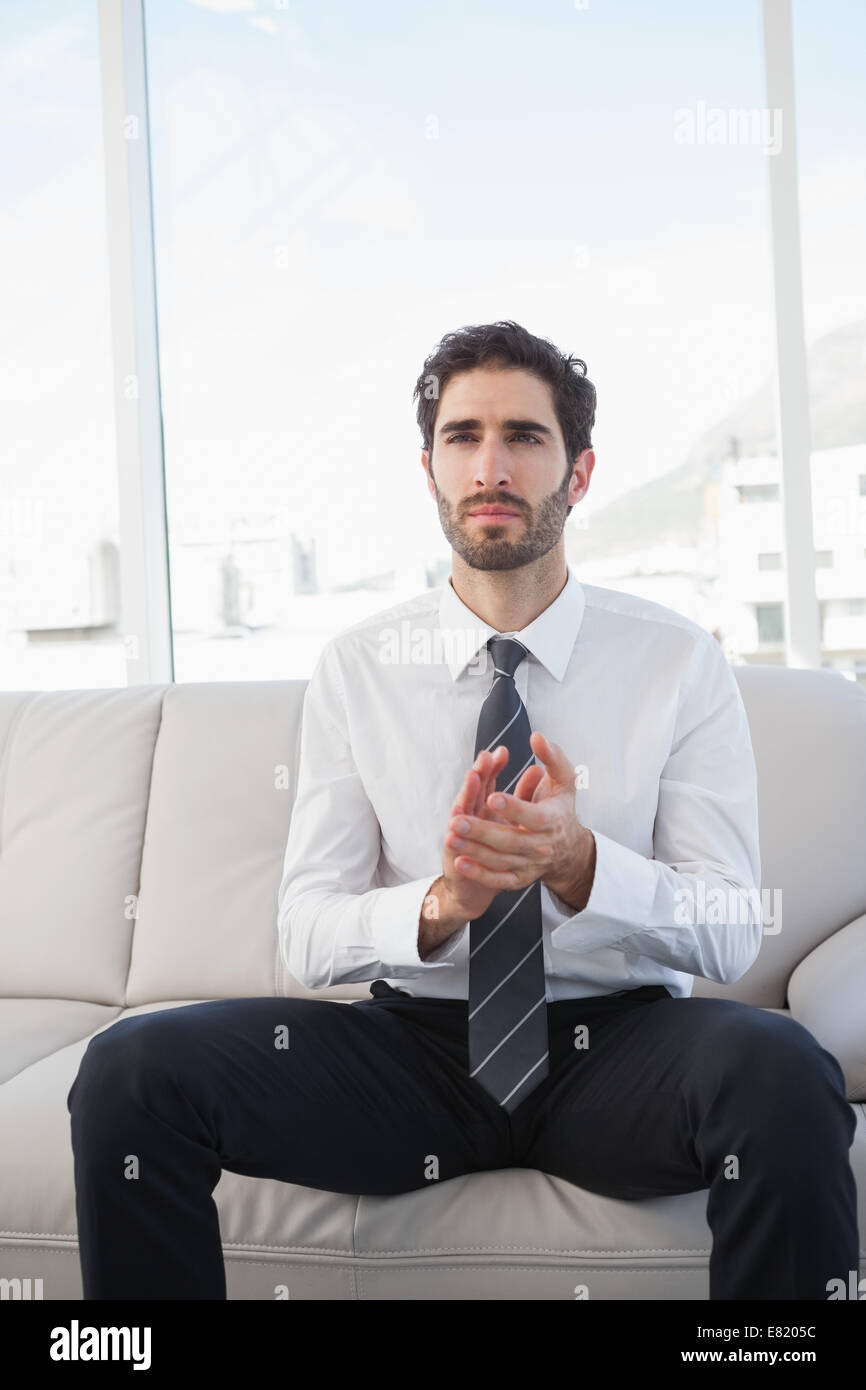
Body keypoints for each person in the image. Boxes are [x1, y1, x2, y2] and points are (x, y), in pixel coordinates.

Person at [67, 319, 858, 1300]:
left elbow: (729, 928)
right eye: (462, 436)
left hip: (620, 1046)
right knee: (130, 1066)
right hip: (415, 1053)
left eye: (524, 436)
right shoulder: (358, 667)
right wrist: (443, 902)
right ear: (430, 470)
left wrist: (577, 866)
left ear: (579, 472)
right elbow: (308, 933)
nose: (490, 465)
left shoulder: (674, 659)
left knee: (778, 1065)